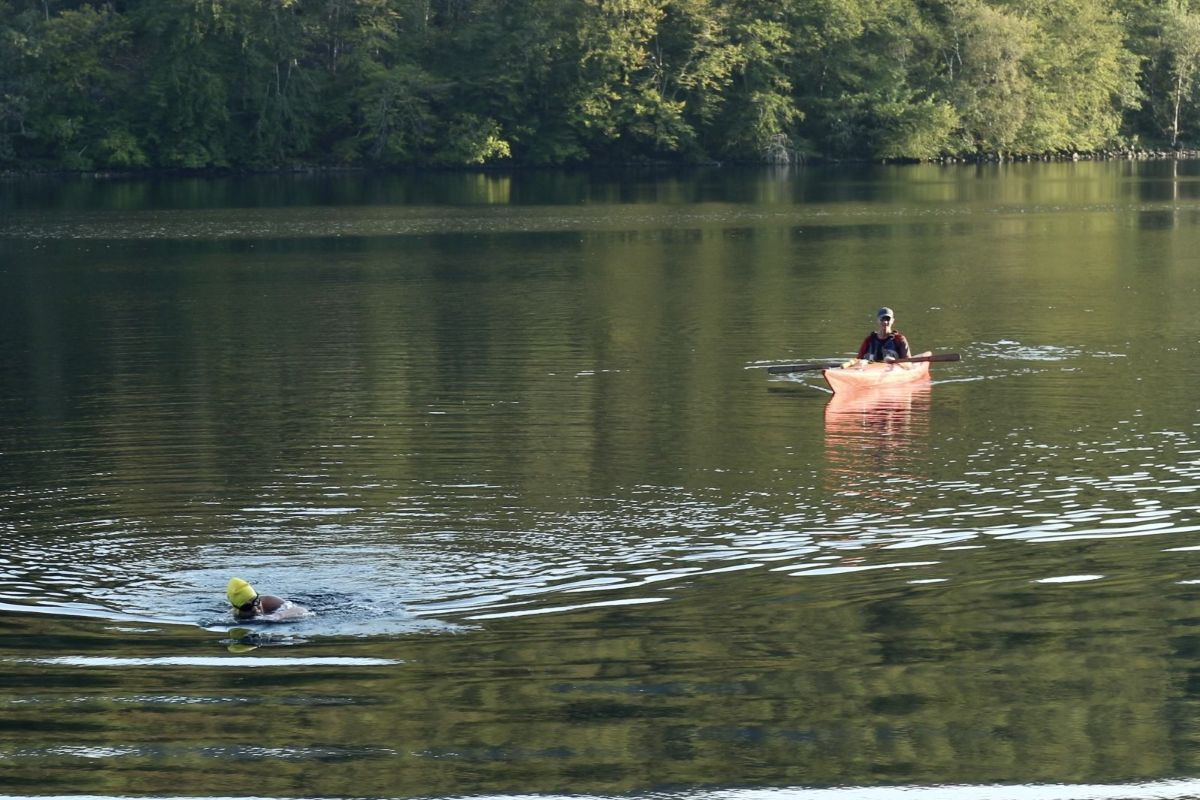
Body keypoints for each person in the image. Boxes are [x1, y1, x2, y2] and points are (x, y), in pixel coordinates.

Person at [226, 577, 309, 621]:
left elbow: (302, 610)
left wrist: (277, 616)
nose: (255, 608)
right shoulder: (231, 617)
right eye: (247, 607)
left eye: (256, 601)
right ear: (236, 608)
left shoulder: (270, 602)